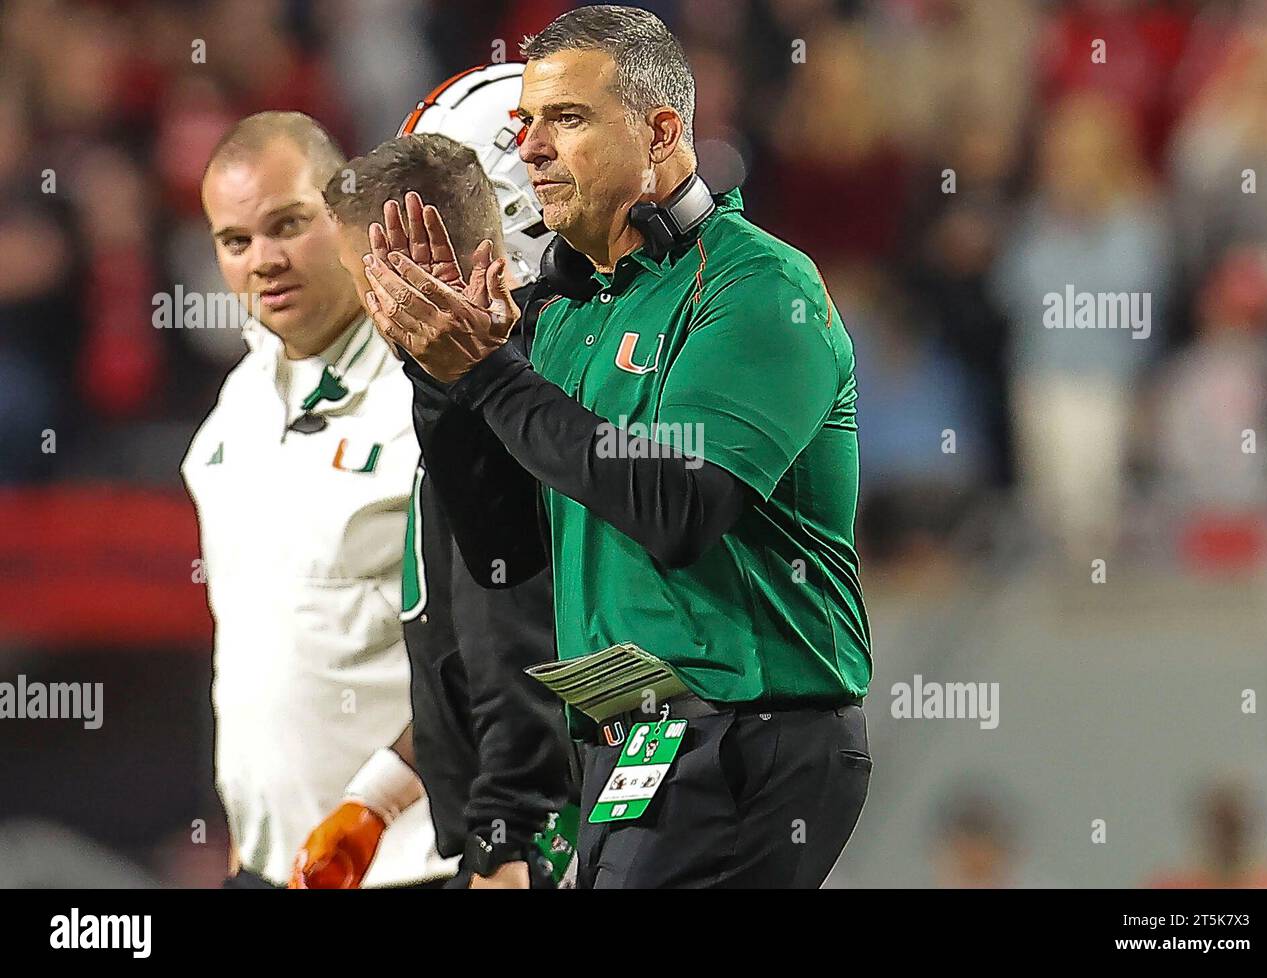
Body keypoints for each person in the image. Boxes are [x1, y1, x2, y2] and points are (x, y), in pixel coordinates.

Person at [363, 5, 873, 888]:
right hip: (630, 744)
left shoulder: (758, 285)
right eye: (526, 123)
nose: (530, 151)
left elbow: (679, 508)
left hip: (750, 732)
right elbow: (506, 548)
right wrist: (440, 375)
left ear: (662, 129)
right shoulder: (569, 314)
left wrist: (489, 376)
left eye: (566, 119)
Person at [293, 90, 574, 890]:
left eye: (380, 268)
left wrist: (512, 836)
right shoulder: (464, 395)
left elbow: (535, 650)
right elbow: (466, 659)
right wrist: (376, 802)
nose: (370, 301)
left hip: (532, 843)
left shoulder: (523, 408)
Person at [181, 111, 451, 888]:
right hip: (273, 864)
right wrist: (252, 831)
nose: (263, 261)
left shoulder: (430, 395)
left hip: (412, 862)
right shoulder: (238, 404)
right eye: (235, 242)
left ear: (347, 214)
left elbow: (502, 644)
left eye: (288, 225)